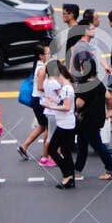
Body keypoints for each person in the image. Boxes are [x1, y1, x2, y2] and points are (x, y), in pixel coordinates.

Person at [42, 59, 78, 189]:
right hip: (65, 123)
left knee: (52, 149)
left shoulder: (67, 88)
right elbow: (63, 103)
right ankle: (70, 177)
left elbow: (67, 107)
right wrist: (54, 101)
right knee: (65, 150)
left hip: (65, 124)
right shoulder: (66, 87)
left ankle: (67, 174)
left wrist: (50, 105)